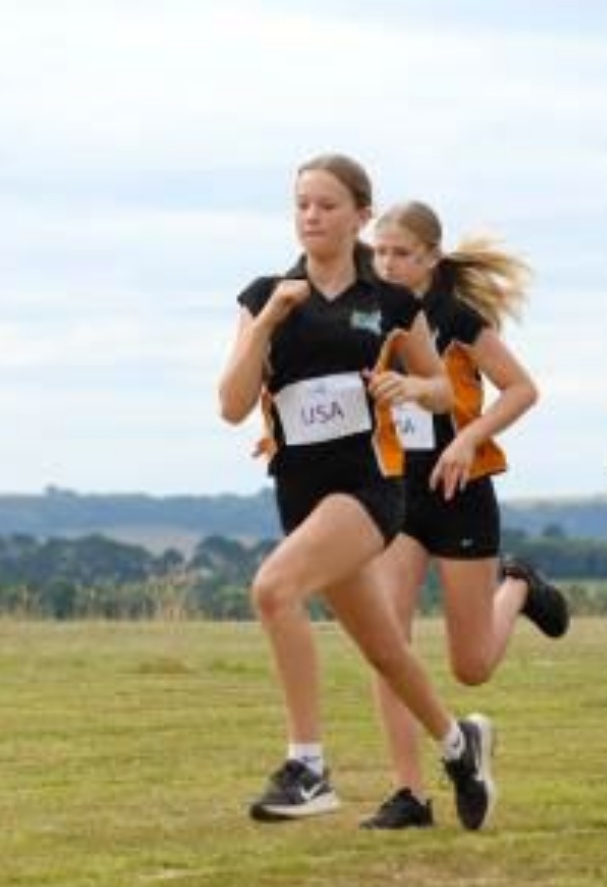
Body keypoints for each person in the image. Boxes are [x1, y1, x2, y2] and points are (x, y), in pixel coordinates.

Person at [217, 153, 497, 831]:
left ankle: (308, 766)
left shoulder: (391, 302)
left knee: (273, 590)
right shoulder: (264, 295)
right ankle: (460, 746)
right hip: (300, 495)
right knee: (384, 648)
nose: (311, 216)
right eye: (302, 205)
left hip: (369, 490)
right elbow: (231, 404)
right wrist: (266, 323)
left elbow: (439, 386)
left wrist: (409, 387)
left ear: (360, 217)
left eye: (326, 205)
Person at [359, 201, 569, 830]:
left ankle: (519, 585)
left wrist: (467, 437)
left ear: (429, 257)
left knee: (470, 666)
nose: (386, 262)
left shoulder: (455, 319)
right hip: (396, 494)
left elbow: (523, 389)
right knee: (385, 643)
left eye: (399, 252)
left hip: (459, 492)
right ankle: (410, 794)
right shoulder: (366, 315)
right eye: (379, 251)